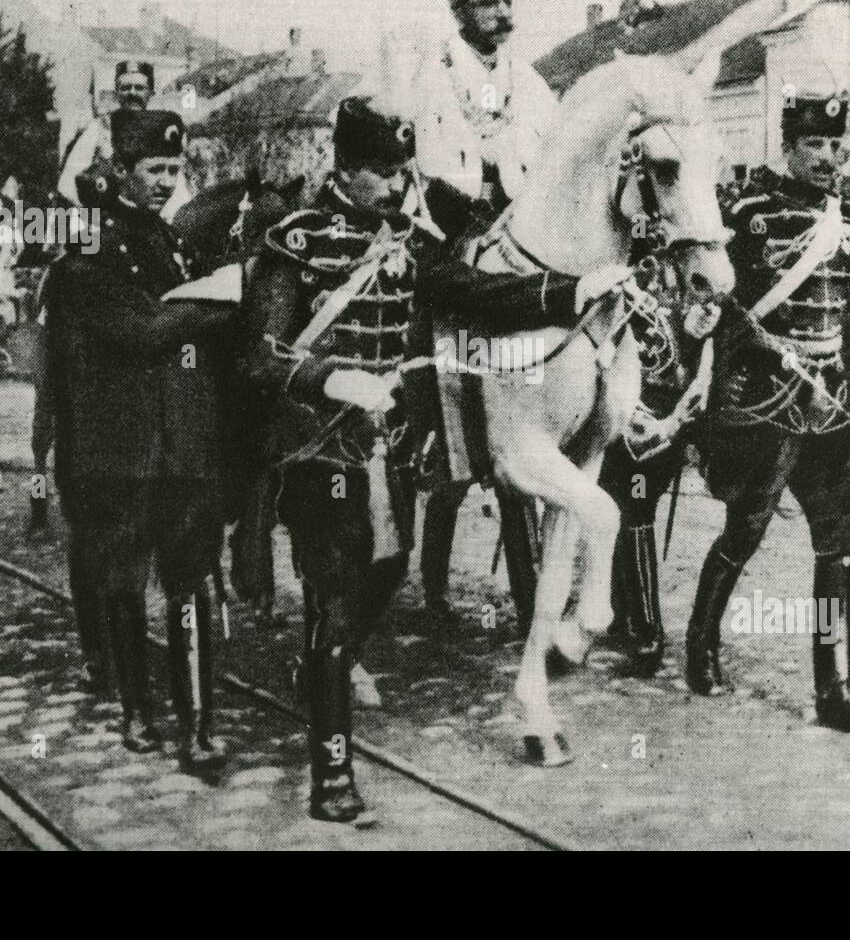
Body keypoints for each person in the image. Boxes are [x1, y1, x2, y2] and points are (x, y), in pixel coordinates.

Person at [243, 96, 623, 824]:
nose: (396, 187)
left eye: (401, 172)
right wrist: (329, 377)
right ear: (346, 169)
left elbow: (476, 289)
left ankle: (324, 667)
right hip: (315, 450)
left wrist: (572, 289)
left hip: (384, 454)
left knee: (387, 571)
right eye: (382, 174)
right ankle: (331, 776)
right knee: (331, 596)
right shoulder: (295, 241)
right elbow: (258, 355)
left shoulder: (409, 243)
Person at [683, 92, 850, 736]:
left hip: (830, 404)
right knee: (745, 530)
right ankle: (701, 643)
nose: (829, 158)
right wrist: (756, 348)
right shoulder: (745, 212)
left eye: (837, 147)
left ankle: (834, 688)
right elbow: (717, 304)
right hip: (765, 398)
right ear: (789, 146)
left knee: (835, 545)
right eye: (815, 147)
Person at [47, 109, 234, 765]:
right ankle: (136, 711)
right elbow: (142, 330)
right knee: (125, 586)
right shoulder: (91, 244)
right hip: (120, 452)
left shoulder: (173, 242)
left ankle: (199, 727)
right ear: (122, 172)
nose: (165, 182)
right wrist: (217, 300)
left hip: (183, 447)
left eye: (173, 170)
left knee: (190, 585)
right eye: (153, 170)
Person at [411, 0, 560, 629]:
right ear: (461, 13)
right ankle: (434, 578)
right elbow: (432, 166)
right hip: (456, 235)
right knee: (450, 414)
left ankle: (537, 599)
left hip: (521, 230)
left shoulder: (528, 80)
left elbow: (554, 153)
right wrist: (482, 205)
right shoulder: (435, 75)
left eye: (507, 1)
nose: (504, 15)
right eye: (490, 5)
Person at [56, 60, 153, 206]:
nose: (132, 93)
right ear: (117, 93)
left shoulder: (159, 133)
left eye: (139, 88)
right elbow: (67, 185)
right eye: (125, 88)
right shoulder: (99, 129)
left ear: (150, 93)